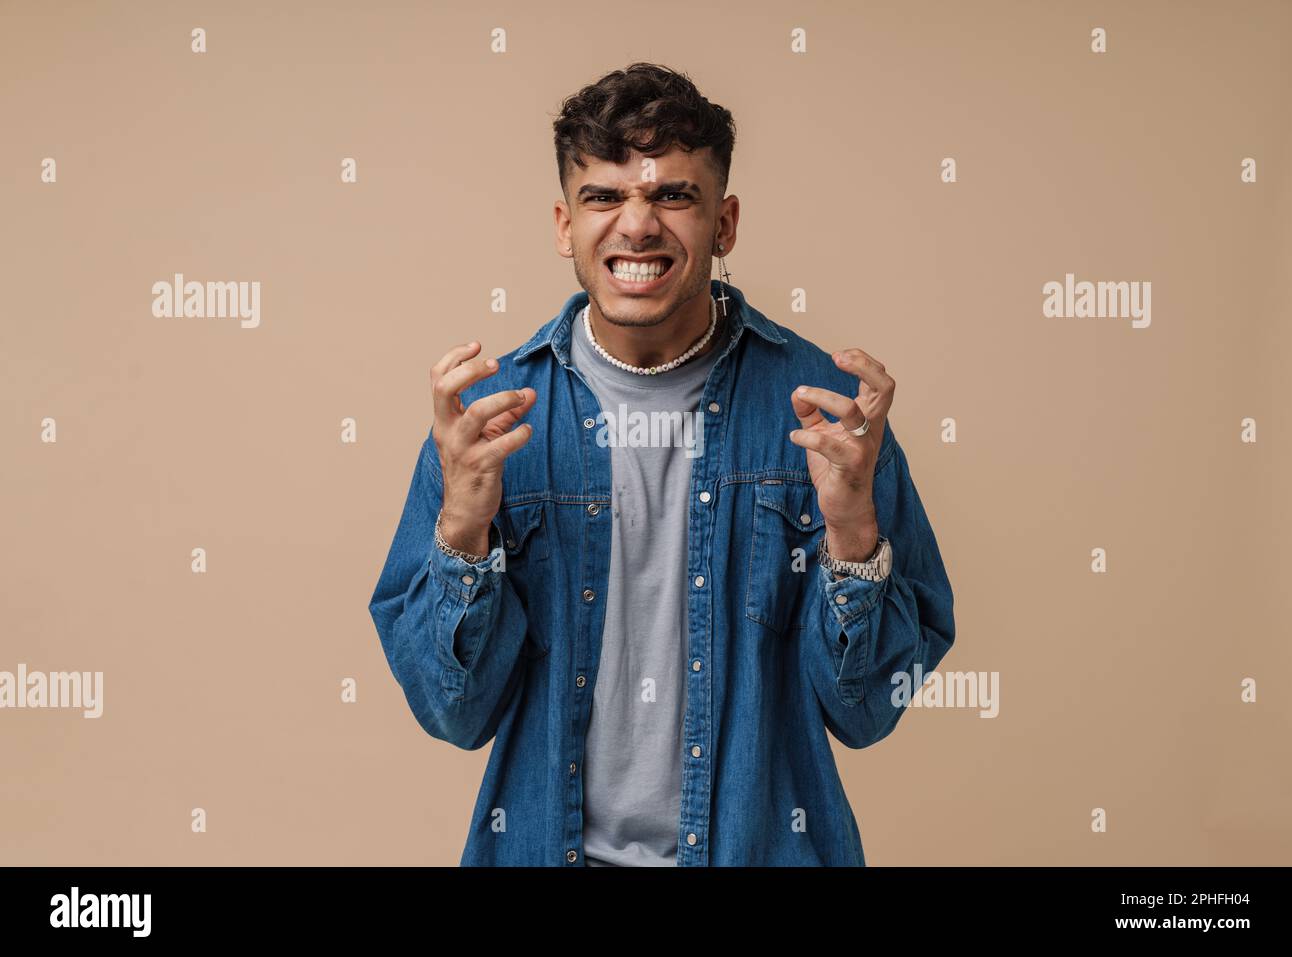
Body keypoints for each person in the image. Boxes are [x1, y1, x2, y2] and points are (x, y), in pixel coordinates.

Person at [368, 62, 956, 866]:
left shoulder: (825, 412)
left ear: (726, 223)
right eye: (603, 197)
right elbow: (453, 712)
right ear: (563, 224)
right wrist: (465, 528)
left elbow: (864, 714)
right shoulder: (488, 421)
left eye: (672, 196)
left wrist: (853, 533)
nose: (636, 226)